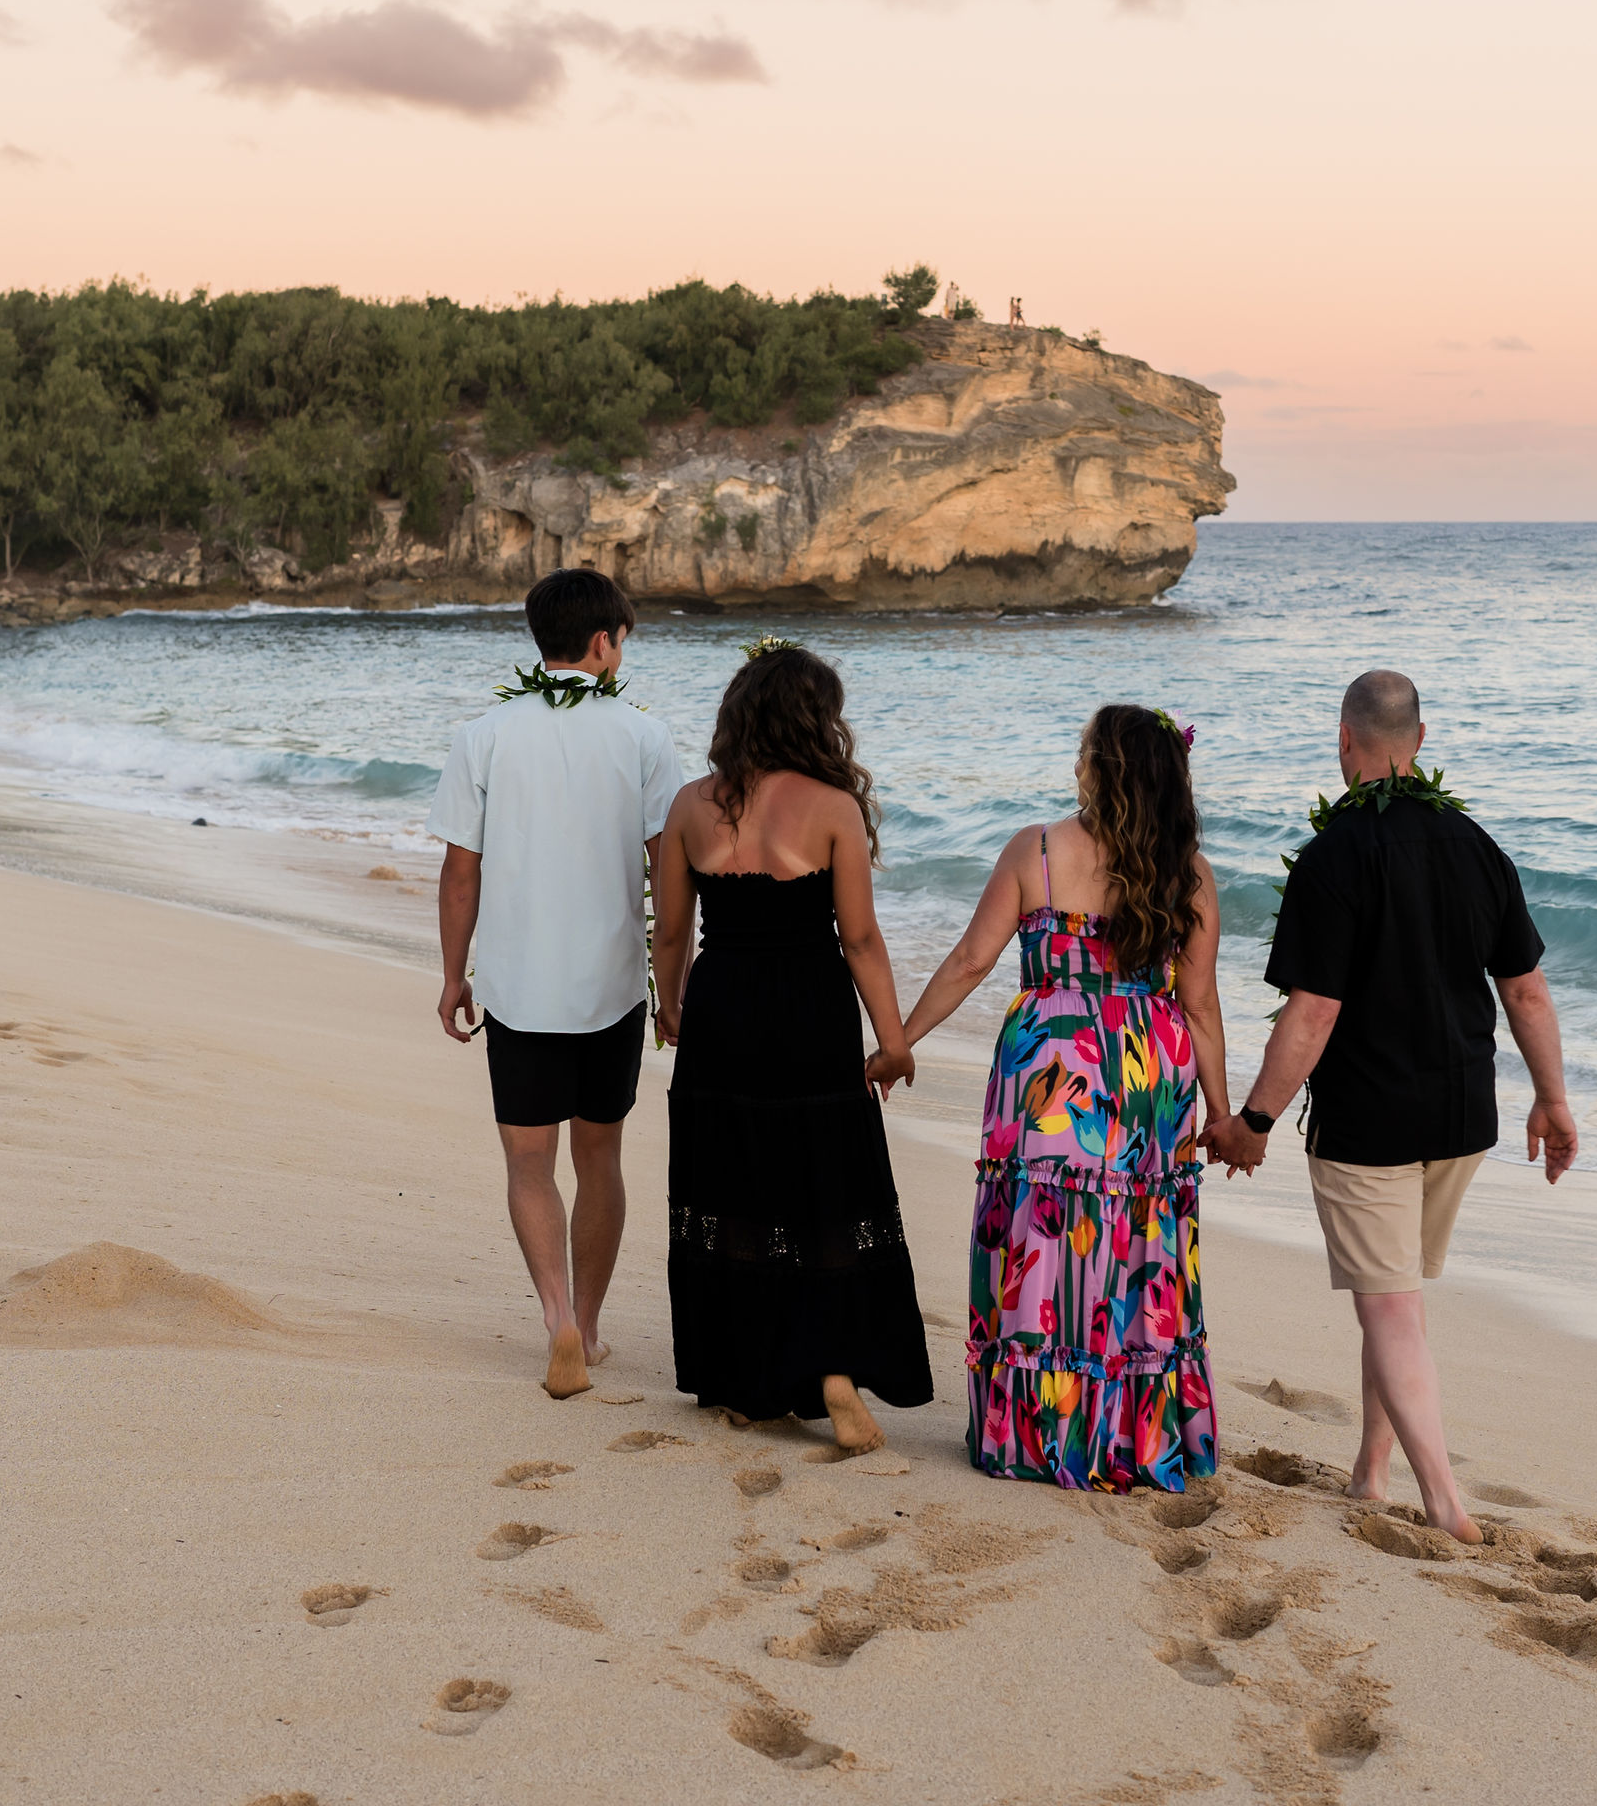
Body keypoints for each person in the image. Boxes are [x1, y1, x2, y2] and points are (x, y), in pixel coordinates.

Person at [1210, 669, 1578, 1542]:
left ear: (1346, 743)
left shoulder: (1335, 857)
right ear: (1421, 741)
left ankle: (1445, 1503)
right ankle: (1370, 1473)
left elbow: (1314, 1010)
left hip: (1370, 1121)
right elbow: (1525, 990)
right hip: (1461, 1118)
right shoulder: (1478, 846)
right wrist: (1553, 1102)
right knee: (1397, 1296)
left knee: (1390, 1309)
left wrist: (1253, 1122)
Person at [895, 705, 1227, 1492]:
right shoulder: (1191, 874)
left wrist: (900, 1039)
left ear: (1097, 768)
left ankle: (1038, 1435)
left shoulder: (1037, 850)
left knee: (1043, 1247)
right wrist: (1223, 1114)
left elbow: (972, 959)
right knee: (1137, 1248)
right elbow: (1203, 1006)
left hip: (1050, 1072)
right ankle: (1137, 1440)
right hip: (1149, 1072)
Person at [648, 642, 936, 1452]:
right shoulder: (833, 806)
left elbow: (670, 929)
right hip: (809, 1006)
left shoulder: (689, 806)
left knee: (733, 1181)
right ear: (818, 719)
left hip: (724, 1002)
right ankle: (835, 1373)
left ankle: (749, 1378)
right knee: (823, 1182)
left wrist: (670, 1006)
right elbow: (862, 939)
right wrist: (893, 1040)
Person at [427, 568, 687, 1400]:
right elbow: (669, 872)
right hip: (612, 985)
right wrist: (673, 980)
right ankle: (594, 1321)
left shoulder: (485, 734)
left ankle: (556, 1322)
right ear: (606, 640)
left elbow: (459, 872)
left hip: (516, 987)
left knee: (529, 1161)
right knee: (599, 1154)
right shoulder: (644, 738)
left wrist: (451, 975)